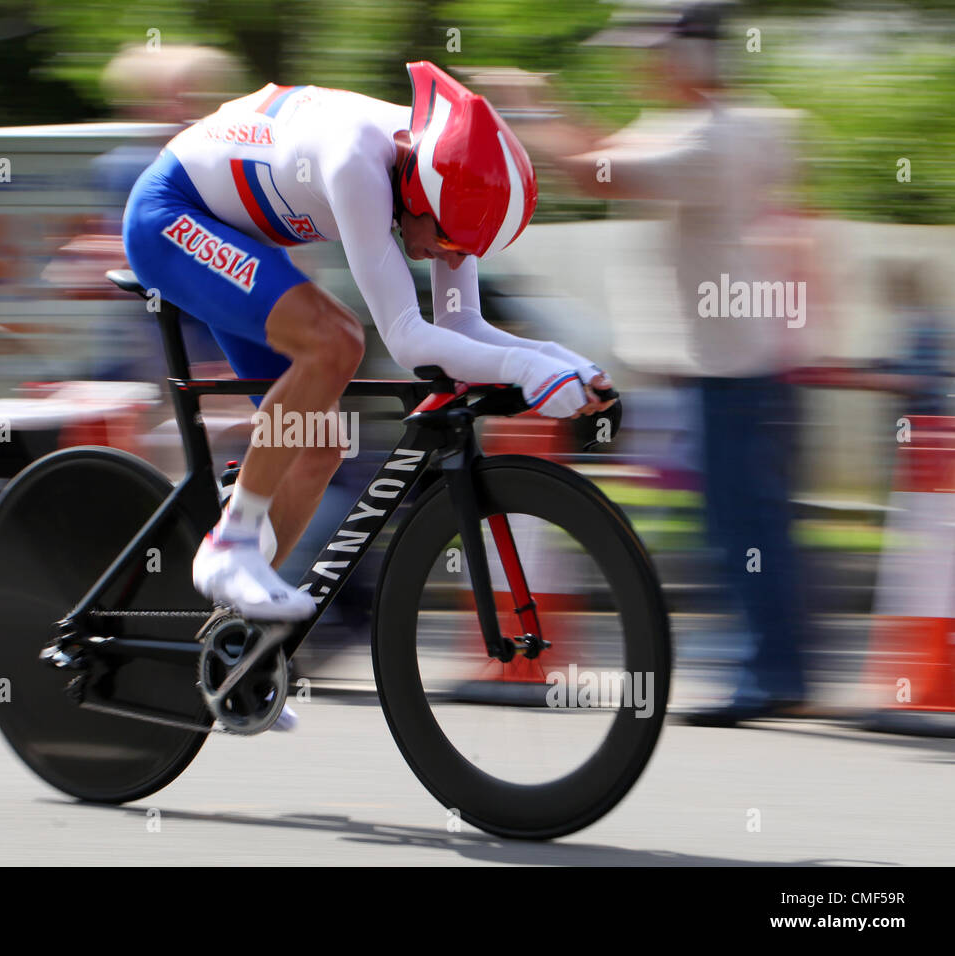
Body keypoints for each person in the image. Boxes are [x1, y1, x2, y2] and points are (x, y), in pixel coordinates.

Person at [122, 62, 616, 624]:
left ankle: (239, 637)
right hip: (171, 216)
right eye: (452, 241)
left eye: (471, 250)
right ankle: (230, 546)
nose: (454, 259)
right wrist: (527, 369)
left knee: (318, 447)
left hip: (239, 231)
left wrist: (563, 364)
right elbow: (408, 338)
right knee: (336, 341)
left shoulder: (443, 174)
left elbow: (461, 328)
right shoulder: (357, 160)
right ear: (420, 193)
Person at [472, 1, 813, 724]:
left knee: (742, 529)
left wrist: (526, 108)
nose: (639, 63)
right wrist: (547, 107)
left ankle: (771, 673)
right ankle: (778, 667)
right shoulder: (736, 122)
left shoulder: (713, 139)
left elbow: (596, 174)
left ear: (691, 56)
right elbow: (603, 148)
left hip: (734, 372)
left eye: (651, 50)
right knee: (746, 525)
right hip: (733, 369)